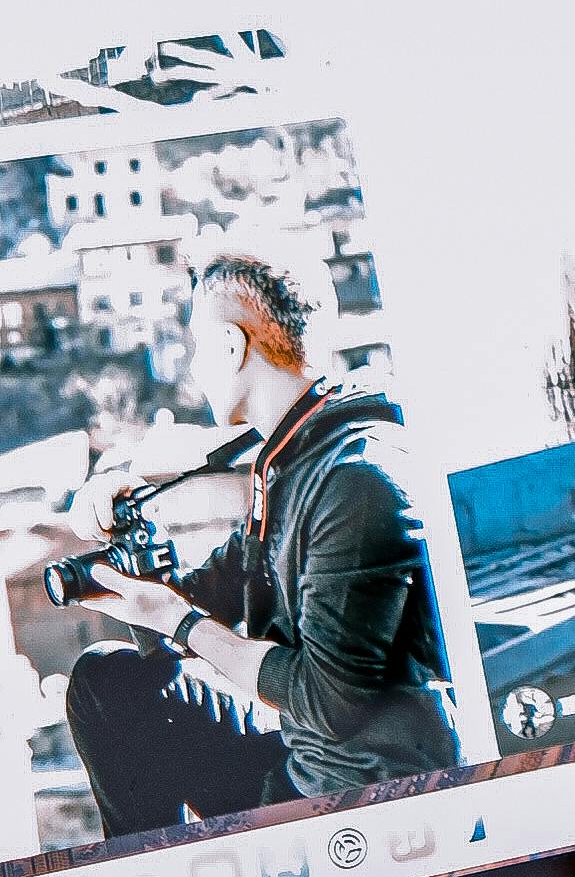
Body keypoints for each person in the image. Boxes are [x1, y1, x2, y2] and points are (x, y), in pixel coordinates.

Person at [61, 251, 458, 841]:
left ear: (229, 346)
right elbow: (190, 615)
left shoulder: (355, 482)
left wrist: (179, 620)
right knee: (107, 682)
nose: (194, 368)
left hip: (359, 801)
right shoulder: (288, 465)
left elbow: (326, 702)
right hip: (306, 762)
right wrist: (125, 531)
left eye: (198, 347)